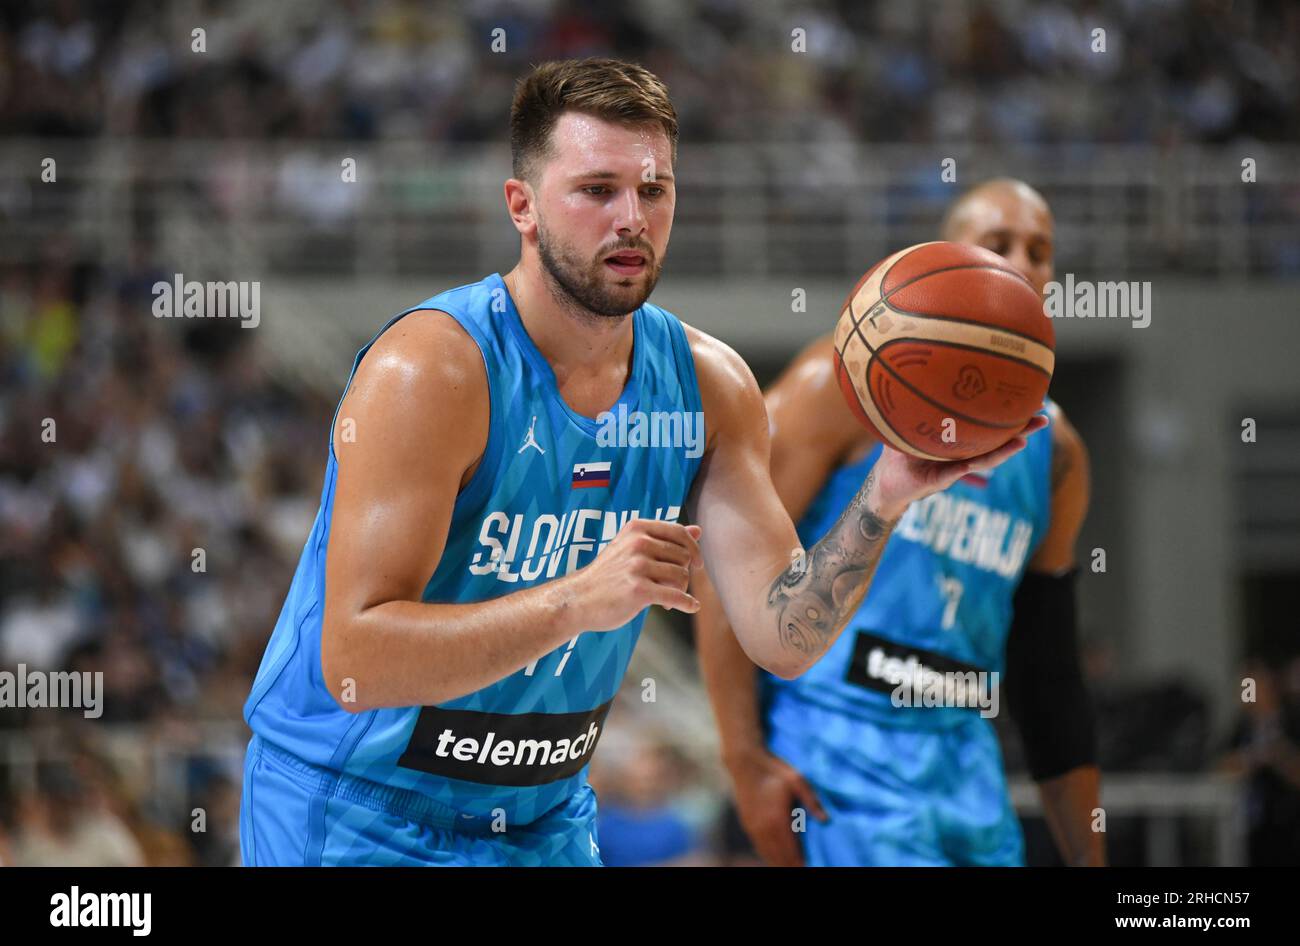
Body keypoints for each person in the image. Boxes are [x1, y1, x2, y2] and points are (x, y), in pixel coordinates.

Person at [238, 60, 1041, 867]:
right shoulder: (430, 373)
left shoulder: (710, 386)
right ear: (522, 206)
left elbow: (784, 632)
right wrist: (578, 600)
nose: (631, 219)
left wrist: (886, 493)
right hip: (355, 808)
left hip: (541, 818)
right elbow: (355, 664)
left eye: (654, 191)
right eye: (597, 190)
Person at [694, 179, 1102, 866]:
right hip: (832, 756)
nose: (1023, 263)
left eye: (1040, 250)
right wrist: (743, 758)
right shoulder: (841, 382)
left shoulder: (1058, 451)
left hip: (966, 764)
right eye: (997, 244)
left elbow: (1048, 671)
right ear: (953, 258)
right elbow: (723, 572)